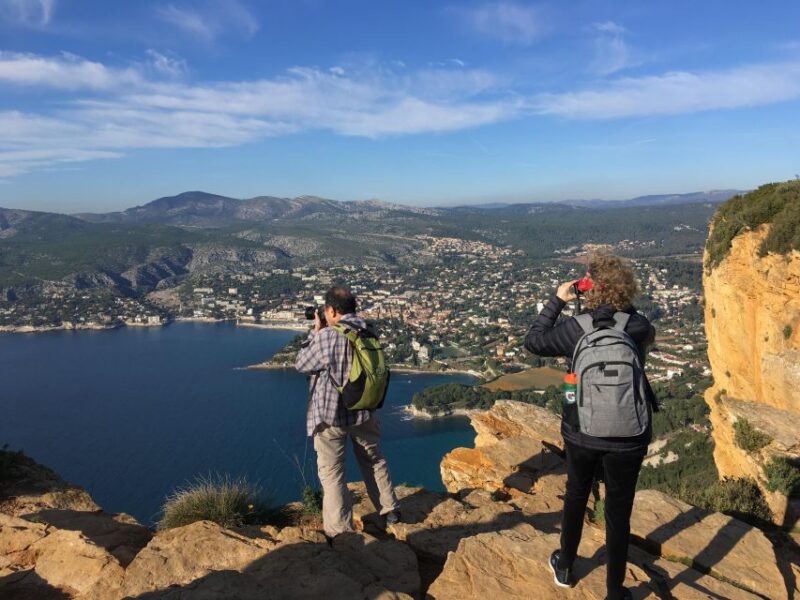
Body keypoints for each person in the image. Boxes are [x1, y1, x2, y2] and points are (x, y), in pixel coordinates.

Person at [524, 255, 656, 600]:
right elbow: (637, 329)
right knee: (618, 509)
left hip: (582, 430)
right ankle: (615, 591)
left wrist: (558, 300)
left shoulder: (575, 328)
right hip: (629, 433)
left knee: (576, 493)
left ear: (587, 287)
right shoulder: (639, 326)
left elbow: (534, 341)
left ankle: (565, 566)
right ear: (626, 286)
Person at [295, 285, 400, 538]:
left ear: (331, 310)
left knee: (332, 474)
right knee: (374, 460)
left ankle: (341, 533)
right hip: (364, 410)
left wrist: (315, 333)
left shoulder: (328, 336)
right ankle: (390, 512)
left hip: (332, 416)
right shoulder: (367, 330)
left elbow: (301, 364)